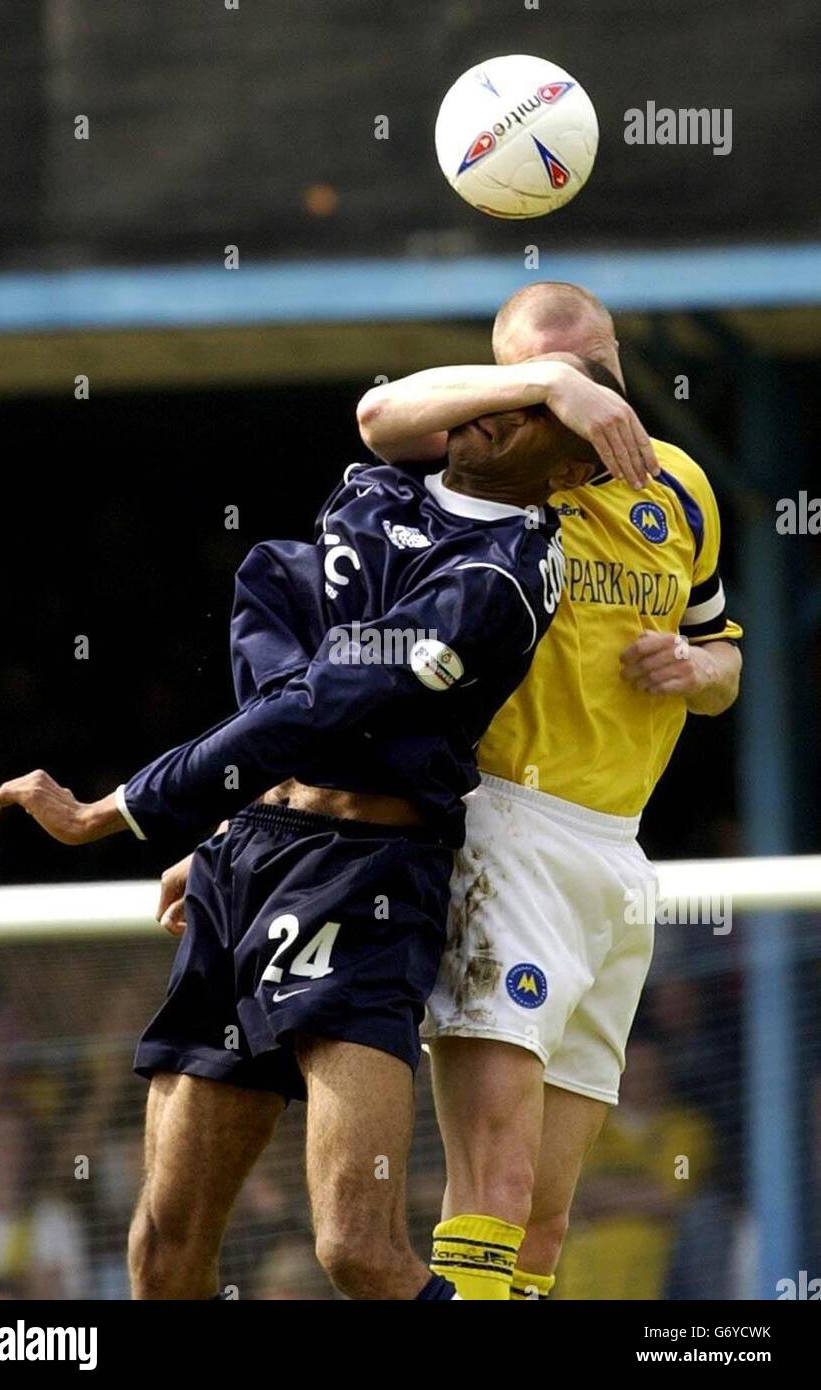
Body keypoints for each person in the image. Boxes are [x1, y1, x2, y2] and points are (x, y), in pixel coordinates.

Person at [0, 352, 651, 1301]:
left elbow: (325, 701)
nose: (501, 413)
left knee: (358, 1253)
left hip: (364, 878)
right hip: (246, 856)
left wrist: (116, 809)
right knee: (161, 1252)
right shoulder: (379, 481)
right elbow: (362, 438)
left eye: (537, 415)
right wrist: (543, 382)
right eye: (506, 393)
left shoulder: (504, 578)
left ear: (572, 471)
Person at [358, 280, 743, 1300]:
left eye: (591, 364)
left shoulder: (682, 488)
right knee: (498, 1181)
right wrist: (533, 390)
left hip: (618, 856)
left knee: (545, 1219)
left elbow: (725, 659)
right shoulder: (498, 463)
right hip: (503, 832)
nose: (582, 386)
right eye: (548, 369)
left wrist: (696, 669)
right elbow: (376, 415)